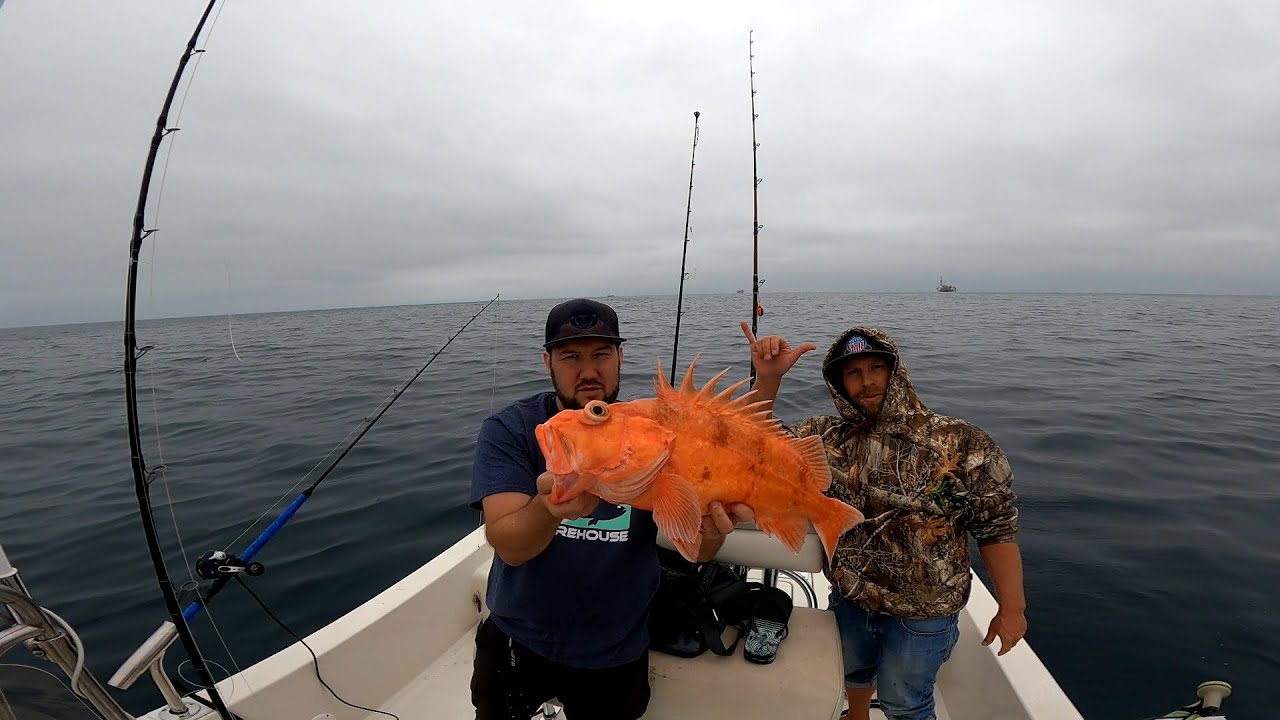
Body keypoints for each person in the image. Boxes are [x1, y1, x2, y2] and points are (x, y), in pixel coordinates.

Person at [469, 298, 751, 720]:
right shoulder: (510, 430)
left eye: (601, 355)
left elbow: (700, 551)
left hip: (616, 648)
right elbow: (508, 543)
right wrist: (548, 509)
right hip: (517, 639)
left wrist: (712, 530)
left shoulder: (646, 432)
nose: (588, 371)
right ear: (547, 362)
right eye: (570, 357)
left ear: (620, 357)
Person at [741, 322, 1026, 720]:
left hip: (924, 612)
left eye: (876, 368)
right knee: (853, 675)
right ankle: (857, 716)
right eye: (853, 373)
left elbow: (996, 527)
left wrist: (1012, 608)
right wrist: (768, 378)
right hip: (851, 596)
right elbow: (755, 443)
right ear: (839, 382)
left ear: (896, 371)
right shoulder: (824, 436)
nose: (867, 381)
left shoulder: (961, 441)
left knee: (904, 702)